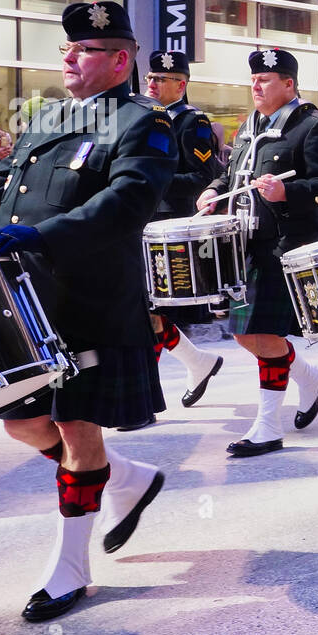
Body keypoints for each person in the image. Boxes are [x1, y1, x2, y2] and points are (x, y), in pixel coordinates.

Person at [0, 0, 177, 622]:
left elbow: (129, 199)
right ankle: (128, 478)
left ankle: (70, 570)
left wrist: (47, 235)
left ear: (120, 59)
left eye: (84, 49)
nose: (70, 56)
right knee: (24, 425)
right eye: (68, 47)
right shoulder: (49, 117)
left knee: (79, 429)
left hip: (89, 301)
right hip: (25, 300)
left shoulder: (144, 123)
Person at [196, 47, 318, 457]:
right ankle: (310, 376)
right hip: (244, 244)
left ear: (289, 84)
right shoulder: (250, 125)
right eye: (253, 79)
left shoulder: (314, 126)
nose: (255, 85)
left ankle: (267, 425)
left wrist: (286, 192)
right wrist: (213, 191)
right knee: (244, 335)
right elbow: (231, 173)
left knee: (266, 334)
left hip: (285, 244)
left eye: (264, 80)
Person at [123, 49, 225, 428]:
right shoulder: (143, 118)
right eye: (150, 77)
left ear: (181, 84)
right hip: (138, 225)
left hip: (169, 231)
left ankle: (142, 403)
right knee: (145, 313)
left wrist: (153, 183)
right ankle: (198, 362)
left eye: (161, 79)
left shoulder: (193, 122)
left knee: (147, 313)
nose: (151, 83)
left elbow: (201, 176)